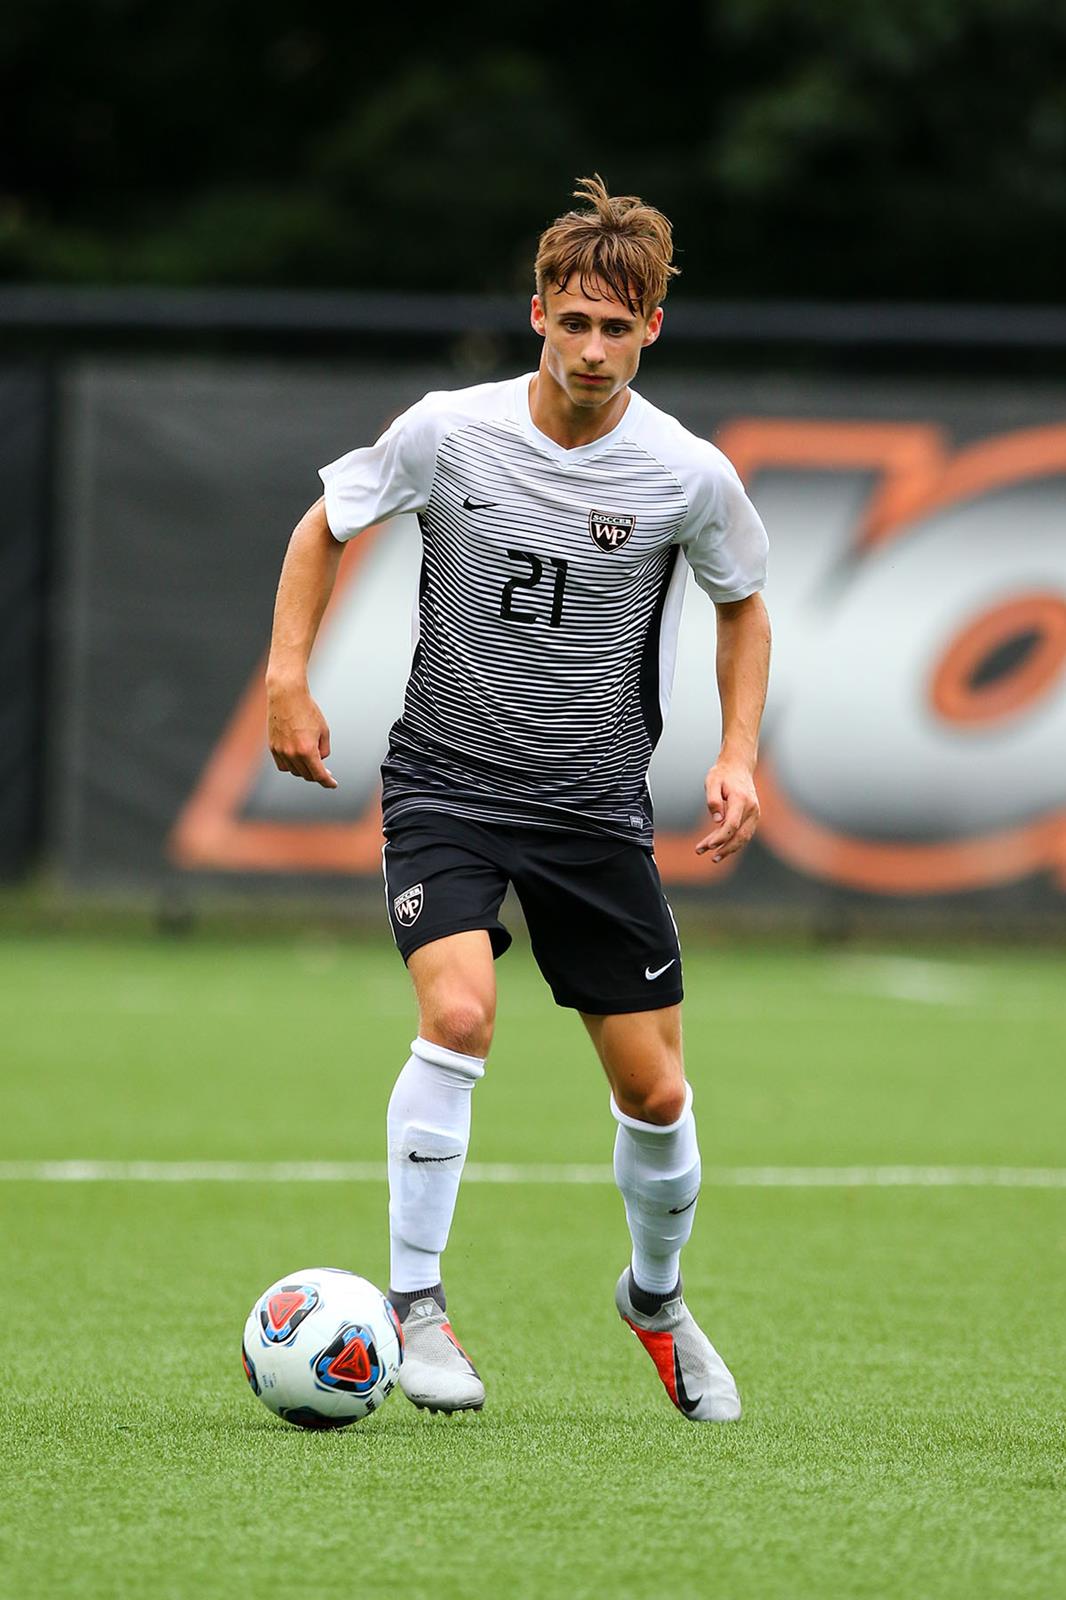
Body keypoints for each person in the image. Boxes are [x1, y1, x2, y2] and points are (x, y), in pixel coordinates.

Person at [266, 176, 771, 1423]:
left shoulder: (685, 473)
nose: (593, 348)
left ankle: (653, 1298)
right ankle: (414, 1304)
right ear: (537, 310)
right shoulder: (450, 428)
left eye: (619, 326)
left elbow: (744, 604)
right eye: (574, 321)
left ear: (650, 330)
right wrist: (287, 676)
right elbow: (326, 525)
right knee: (460, 1009)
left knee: (656, 1094)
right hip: (446, 782)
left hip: (593, 809)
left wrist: (737, 751)